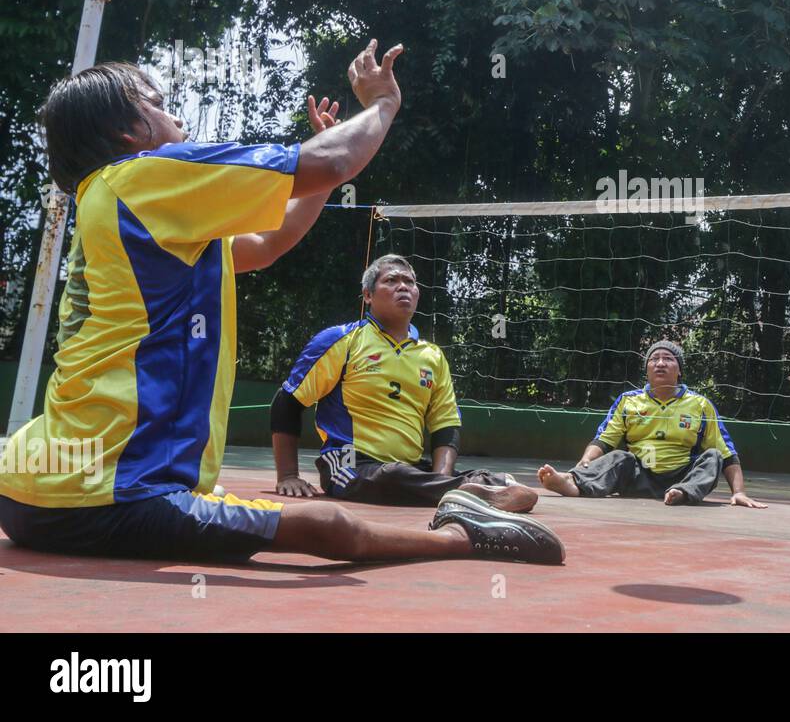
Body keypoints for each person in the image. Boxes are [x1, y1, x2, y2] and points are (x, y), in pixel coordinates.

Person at [0, 43, 562, 565]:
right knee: (327, 526)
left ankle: (461, 507)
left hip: (29, 487)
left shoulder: (123, 211)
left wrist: (317, 171)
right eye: (159, 106)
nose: (176, 118)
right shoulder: (139, 178)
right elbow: (334, 160)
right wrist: (385, 103)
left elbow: (268, 244)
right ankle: (464, 535)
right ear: (127, 133)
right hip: (108, 493)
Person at [270, 253, 536, 513]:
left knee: (406, 474)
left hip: (411, 468)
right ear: (368, 295)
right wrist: (288, 475)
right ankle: (469, 493)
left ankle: (464, 490)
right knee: (391, 476)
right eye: (391, 281)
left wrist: (439, 478)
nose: (403, 287)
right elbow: (286, 403)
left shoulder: (432, 355)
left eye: (409, 282)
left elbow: (446, 425)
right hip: (349, 461)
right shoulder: (342, 340)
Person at [537, 340, 767, 508]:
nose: (660, 363)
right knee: (620, 457)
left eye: (668, 359)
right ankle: (571, 482)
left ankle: (682, 493)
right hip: (638, 476)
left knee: (713, 457)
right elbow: (605, 439)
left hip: (683, 476)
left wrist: (739, 492)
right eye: (654, 359)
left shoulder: (700, 405)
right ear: (647, 369)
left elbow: (727, 453)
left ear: (679, 370)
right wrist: (586, 461)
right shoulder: (629, 401)